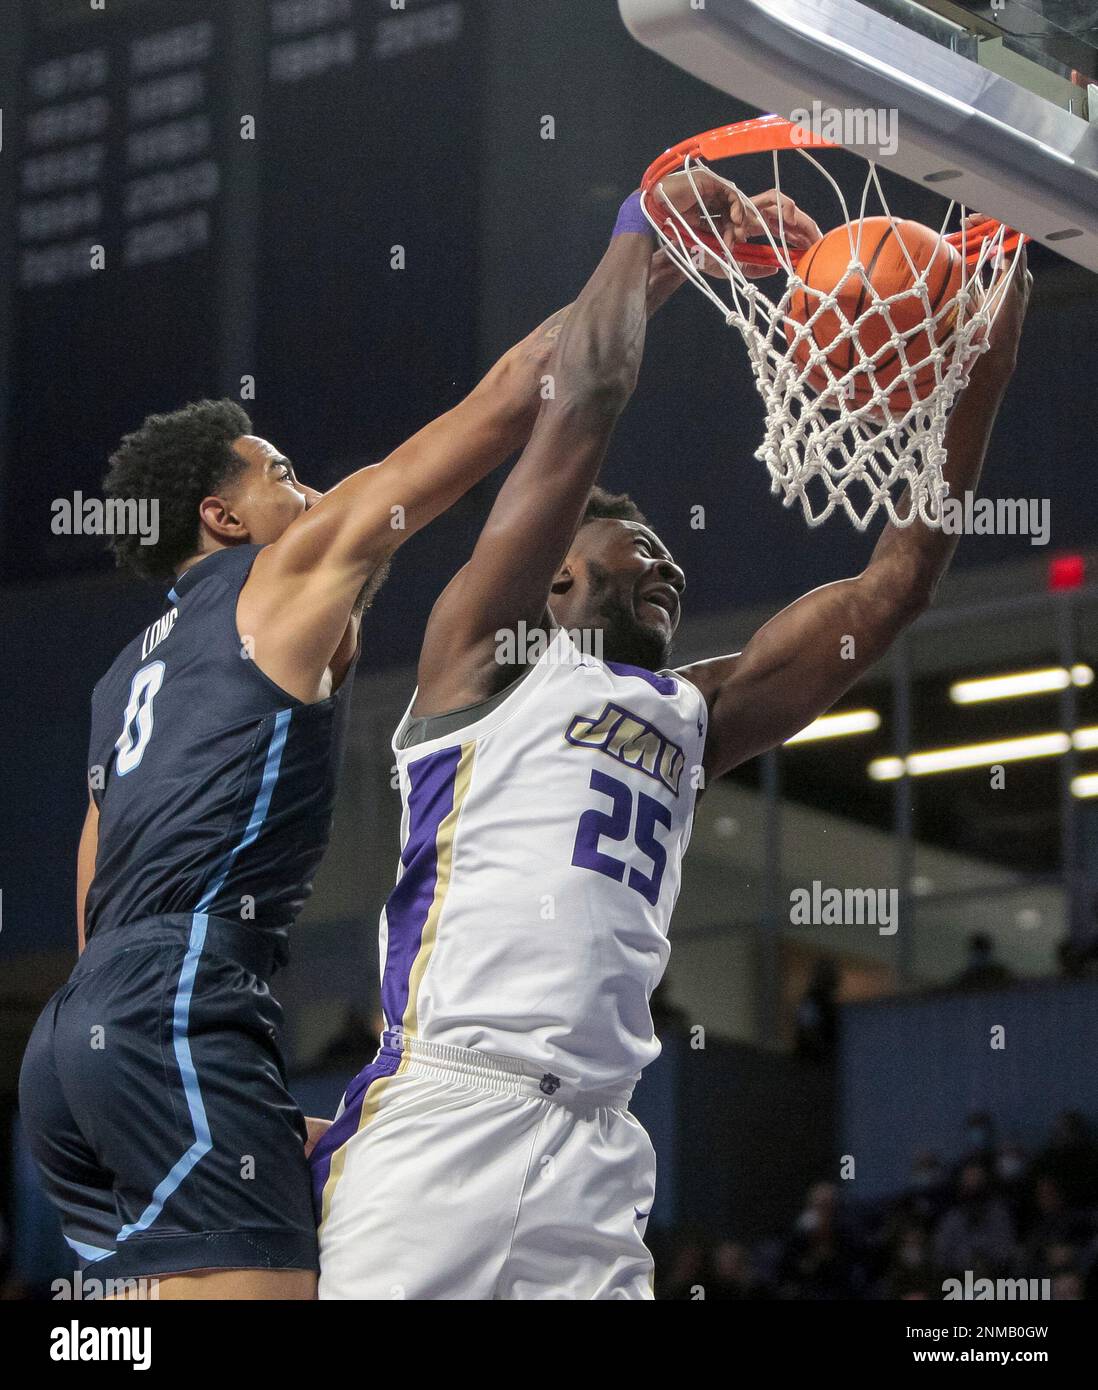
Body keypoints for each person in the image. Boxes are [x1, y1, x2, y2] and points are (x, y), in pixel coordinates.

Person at [312, 185, 1032, 1298]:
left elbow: (894, 587)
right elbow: (586, 395)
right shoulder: (483, 659)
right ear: (555, 575)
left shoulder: (694, 713)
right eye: (638, 547)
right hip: (447, 1117)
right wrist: (648, 227)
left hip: (599, 1149)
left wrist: (985, 346)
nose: (669, 565)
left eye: (667, 554)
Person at [16, 294, 589, 1299]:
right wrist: (650, 245)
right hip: (176, 1003)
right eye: (284, 475)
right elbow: (497, 406)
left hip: (76, 1039)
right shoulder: (279, 576)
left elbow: (92, 904)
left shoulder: (121, 682)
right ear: (225, 517)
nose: (314, 490)